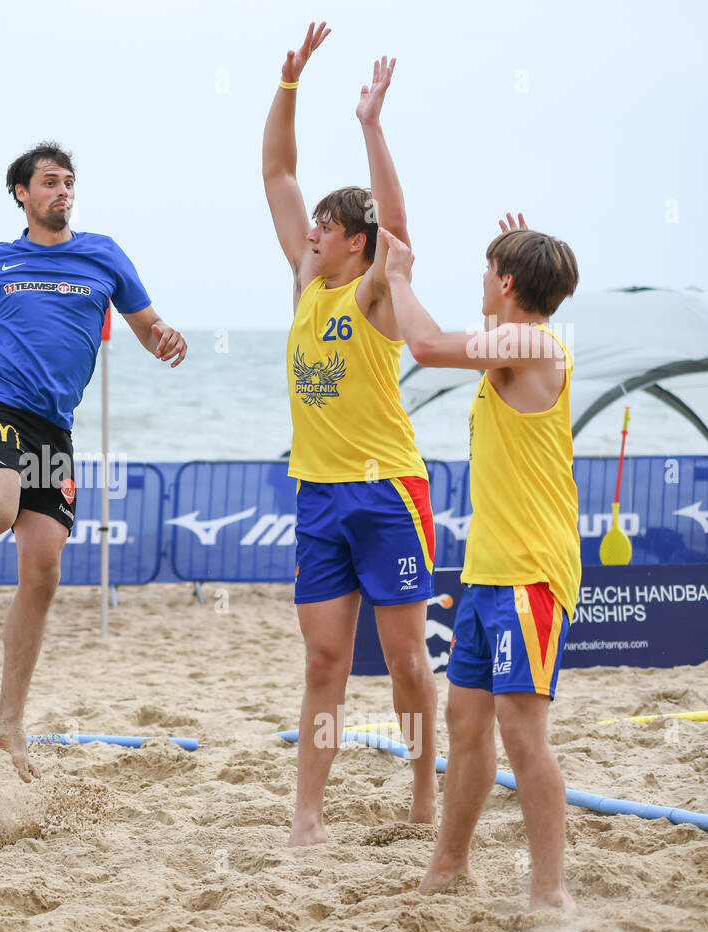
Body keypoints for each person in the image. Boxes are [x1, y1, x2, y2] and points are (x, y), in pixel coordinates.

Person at [0, 142, 187, 782]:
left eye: (69, 182)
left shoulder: (103, 254)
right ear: (22, 193)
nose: (62, 191)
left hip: (54, 431)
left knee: (43, 569)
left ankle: (8, 719)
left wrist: (166, 338)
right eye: (49, 182)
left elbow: (147, 326)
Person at [263, 22, 439, 843]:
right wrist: (290, 85)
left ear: (355, 243)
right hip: (320, 496)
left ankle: (422, 795)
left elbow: (397, 228)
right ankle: (307, 815)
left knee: (407, 662)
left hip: (387, 490)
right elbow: (277, 172)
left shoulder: (372, 294)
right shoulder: (307, 286)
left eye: (325, 229)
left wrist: (371, 126)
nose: (311, 234)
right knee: (325, 663)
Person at [380, 216, 581, 914]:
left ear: (506, 282)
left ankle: (550, 893)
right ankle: (449, 867)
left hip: (531, 574)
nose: (479, 281)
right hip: (487, 573)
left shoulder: (531, 342)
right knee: (466, 724)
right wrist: (524, 254)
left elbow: (428, 346)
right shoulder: (509, 343)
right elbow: (462, 338)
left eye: (488, 270)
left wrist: (399, 276)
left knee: (524, 735)